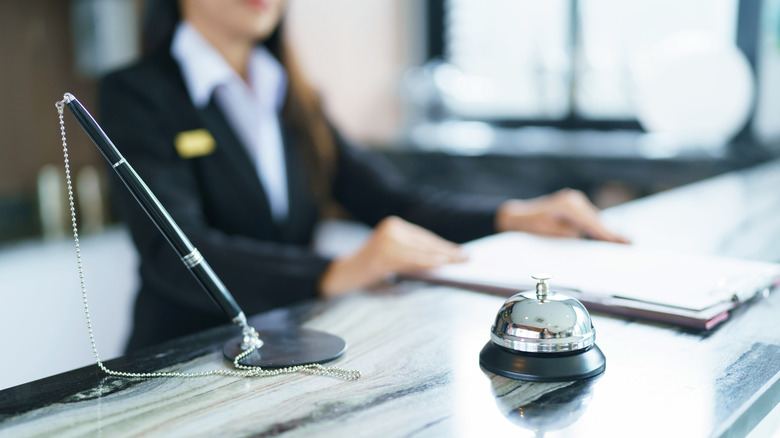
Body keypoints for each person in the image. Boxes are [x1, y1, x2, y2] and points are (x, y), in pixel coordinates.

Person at [100, 0, 627, 352]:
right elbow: (174, 253)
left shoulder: (290, 95)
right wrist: (336, 271)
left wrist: (514, 214)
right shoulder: (136, 95)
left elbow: (390, 200)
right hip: (181, 358)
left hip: (279, 349)